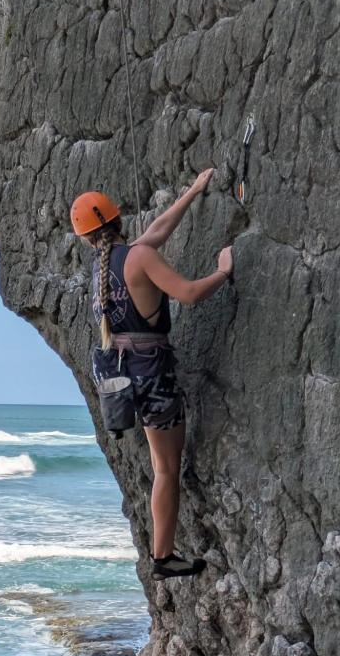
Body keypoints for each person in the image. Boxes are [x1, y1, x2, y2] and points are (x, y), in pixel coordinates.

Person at [70, 168, 233, 581]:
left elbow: (157, 231)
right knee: (166, 469)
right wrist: (223, 271)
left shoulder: (103, 267)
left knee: (162, 466)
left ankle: (162, 555)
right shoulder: (137, 257)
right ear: (118, 218)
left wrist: (193, 191)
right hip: (152, 373)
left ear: (88, 238)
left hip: (122, 375)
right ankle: (163, 557)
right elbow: (189, 294)